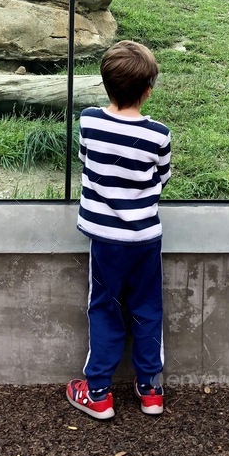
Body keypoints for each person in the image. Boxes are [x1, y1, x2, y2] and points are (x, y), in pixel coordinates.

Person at [66, 40, 171, 420]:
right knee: (147, 309)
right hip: (144, 238)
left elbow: (85, 161)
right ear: (148, 90)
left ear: (105, 84)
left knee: (104, 308)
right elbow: (163, 178)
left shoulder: (90, 120)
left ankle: (97, 392)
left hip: (105, 241)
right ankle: (150, 389)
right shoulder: (158, 134)